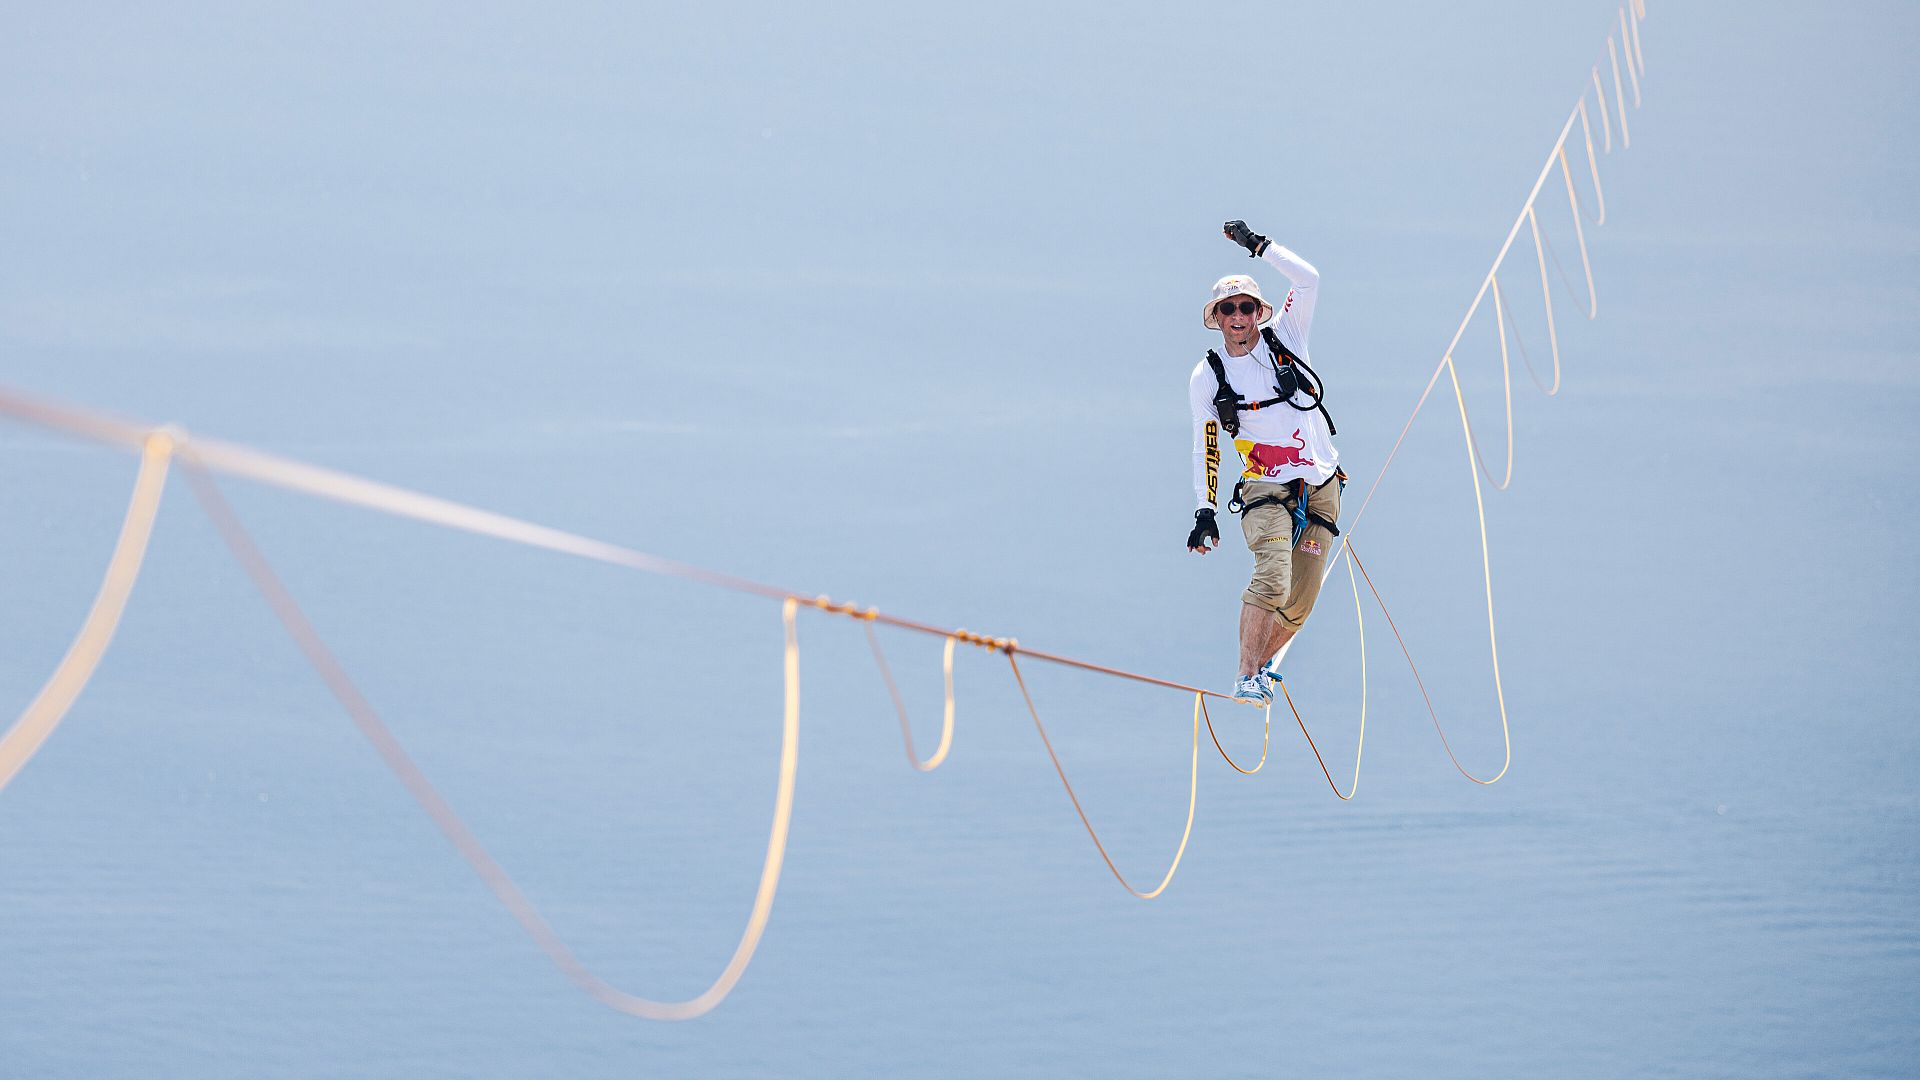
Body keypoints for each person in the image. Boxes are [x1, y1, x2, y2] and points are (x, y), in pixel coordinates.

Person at [1185, 220, 1345, 705]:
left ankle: (1260, 665)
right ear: (1217, 317)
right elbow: (1206, 445)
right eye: (1228, 308)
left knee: (1300, 601)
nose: (1239, 316)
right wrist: (1204, 511)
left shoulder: (1288, 336)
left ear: (1259, 311)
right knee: (1272, 576)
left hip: (1320, 482)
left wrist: (1259, 246)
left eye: (1247, 306)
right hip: (1265, 487)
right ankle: (1245, 673)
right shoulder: (1208, 376)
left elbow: (1309, 279)